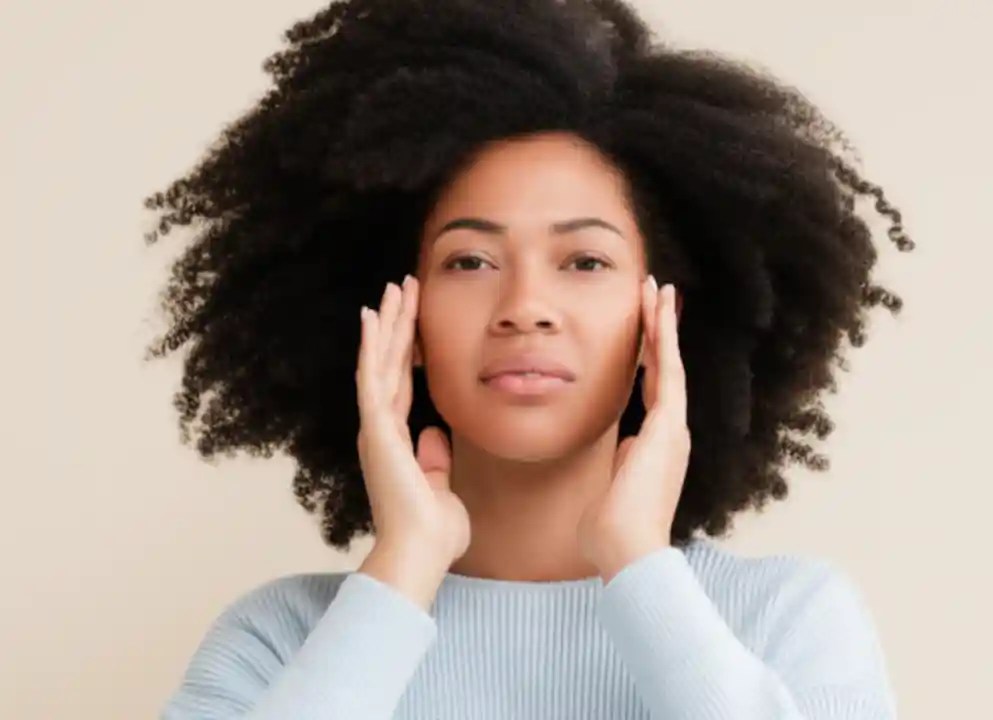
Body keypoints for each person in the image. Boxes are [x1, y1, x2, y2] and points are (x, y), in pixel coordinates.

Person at [146, 1, 914, 718]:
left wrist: (637, 563)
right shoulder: (281, 640)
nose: (524, 305)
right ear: (401, 321)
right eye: (470, 262)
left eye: (583, 261)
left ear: (666, 320)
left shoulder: (786, 619)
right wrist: (406, 561)